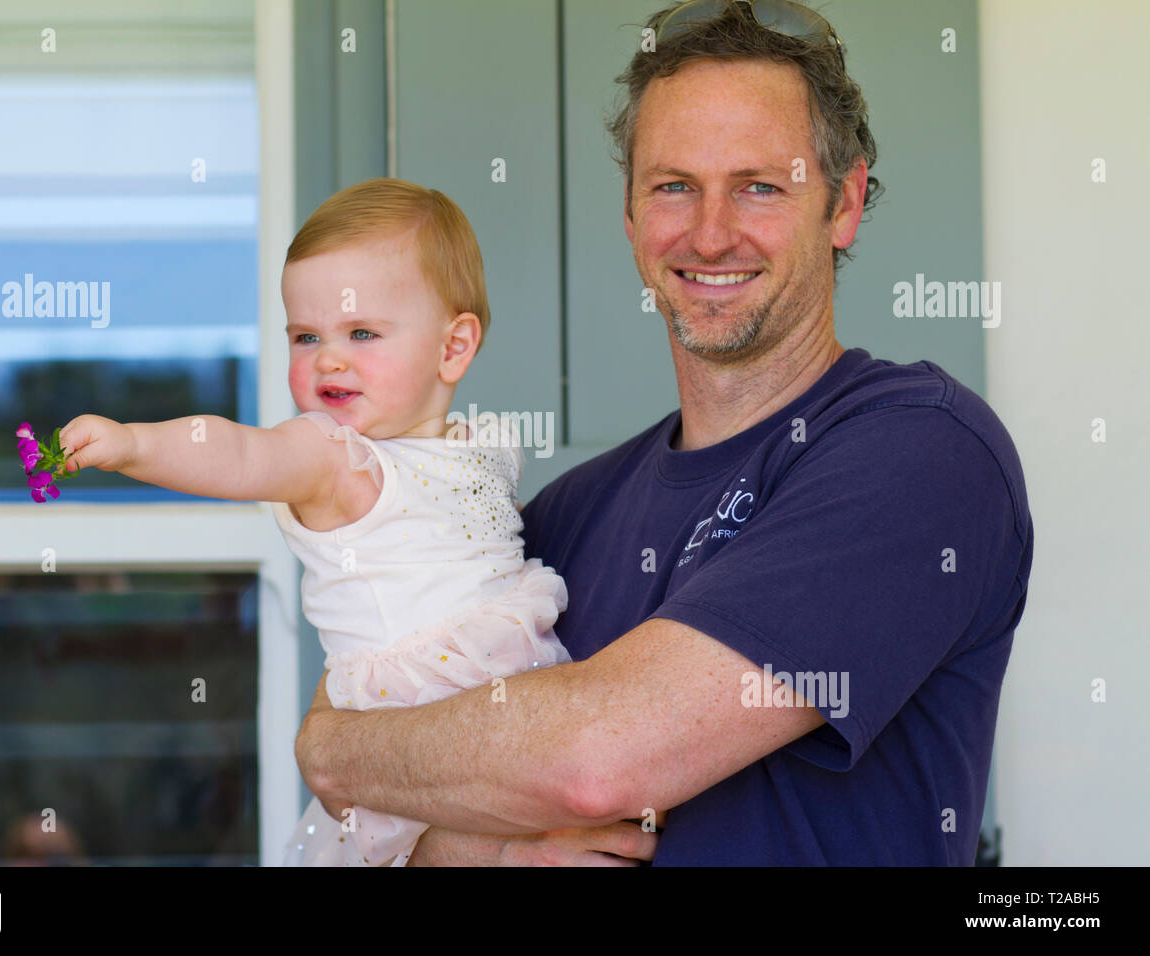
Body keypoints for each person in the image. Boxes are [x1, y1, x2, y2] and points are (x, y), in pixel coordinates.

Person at [294, 0, 1034, 865]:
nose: (710, 232)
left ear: (845, 203)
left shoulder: (922, 453)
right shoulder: (567, 514)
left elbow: (596, 760)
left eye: (760, 185)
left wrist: (330, 754)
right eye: (674, 185)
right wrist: (481, 851)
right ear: (631, 213)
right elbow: (380, 686)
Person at [58, 178, 574, 866]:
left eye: (361, 332)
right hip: (408, 726)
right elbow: (238, 452)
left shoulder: (476, 448)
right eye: (306, 337)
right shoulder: (334, 459)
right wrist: (134, 444)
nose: (328, 358)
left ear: (453, 348)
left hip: (508, 700)